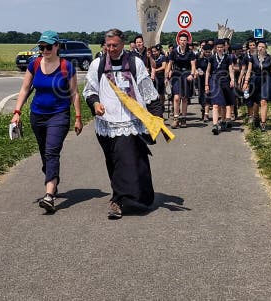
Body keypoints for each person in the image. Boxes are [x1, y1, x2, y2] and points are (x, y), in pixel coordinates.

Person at [83, 28, 163, 219]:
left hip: (131, 122)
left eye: (115, 45)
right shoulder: (98, 64)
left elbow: (148, 91)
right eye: (108, 45)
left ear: (123, 44)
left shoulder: (135, 63)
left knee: (127, 160)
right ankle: (126, 195)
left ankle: (118, 201)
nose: (111, 49)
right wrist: (95, 104)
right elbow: (89, 90)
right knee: (113, 161)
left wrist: (156, 118)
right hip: (106, 124)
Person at [11, 30, 83, 213]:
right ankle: (53, 179)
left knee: (52, 152)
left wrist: (78, 118)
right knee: (44, 153)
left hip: (59, 115)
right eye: (42, 47)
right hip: (37, 115)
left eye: (48, 47)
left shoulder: (67, 67)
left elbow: (74, 93)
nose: (44, 50)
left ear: (57, 46)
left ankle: (49, 195)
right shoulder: (34, 64)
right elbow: (25, 89)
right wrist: (17, 112)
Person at [242, 41, 271, 132]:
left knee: (263, 101)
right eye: (259, 46)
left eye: (262, 47)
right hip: (255, 80)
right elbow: (248, 71)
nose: (260, 48)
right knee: (256, 102)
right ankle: (256, 117)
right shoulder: (253, 58)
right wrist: (246, 82)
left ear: (265, 48)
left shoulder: (269, 58)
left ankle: (263, 123)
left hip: (266, 80)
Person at [205, 39, 236, 135]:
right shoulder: (212, 58)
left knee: (224, 104)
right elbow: (208, 71)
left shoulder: (228, 58)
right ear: (215, 48)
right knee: (215, 104)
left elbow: (231, 70)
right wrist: (206, 84)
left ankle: (223, 120)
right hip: (214, 81)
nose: (219, 49)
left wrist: (232, 79)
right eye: (218, 47)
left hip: (225, 81)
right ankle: (215, 124)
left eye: (221, 47)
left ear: (224, 48)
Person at [166, 34, 197, 128]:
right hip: (176, 75)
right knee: (176, 97)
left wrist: (192, 74)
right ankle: (176, 118)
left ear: (187, 41)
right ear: (178, 41)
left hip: (186, 75)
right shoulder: (174, 52)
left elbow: (193, 65)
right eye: (181, 40)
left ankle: (183, 118)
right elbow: (169, 64)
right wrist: (166, 76)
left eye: (184, 40)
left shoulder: (190, 53)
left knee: (184, 98)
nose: (183, 42)